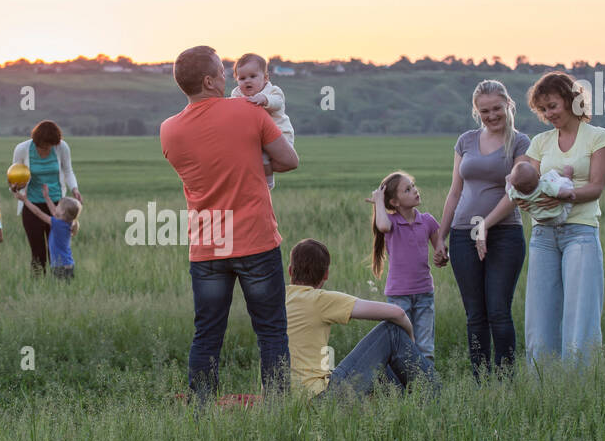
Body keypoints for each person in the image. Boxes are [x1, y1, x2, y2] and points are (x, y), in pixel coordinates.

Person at [159, 45, 299, 401]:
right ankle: (277, 411)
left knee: (206, 334)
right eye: (222, 71)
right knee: (271, 332)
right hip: (256, 240)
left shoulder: (169, 130)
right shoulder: (247, 112)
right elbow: (288, 160)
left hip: (207, 246)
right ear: (208, 80)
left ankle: (202, 413)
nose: (229, 77)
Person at [436, 80, 531, 378]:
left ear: (508, 105)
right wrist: (441, 236)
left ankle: (505, 382)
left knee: (499, 311)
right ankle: (481, 381)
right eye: (484, 111)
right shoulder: (465, 140)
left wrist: (486, 226)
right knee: (475, 315)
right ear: (477, 112)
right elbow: (455, 192)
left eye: (496, 109)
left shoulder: (520, 142)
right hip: (464, 234)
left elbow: (516, 193)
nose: (491, 115)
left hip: (504, 235)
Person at [518, 71, 605, 365]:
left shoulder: (598, 137)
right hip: (543, 236)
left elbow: (596, 188)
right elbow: (526, 181)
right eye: (543, 109)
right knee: (540, 315)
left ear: (572, 100)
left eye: (553, 105)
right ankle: (542, 386)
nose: (549, 114)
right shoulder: (540, 142)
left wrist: (564, 195)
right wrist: (525, 198)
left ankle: (580, 385)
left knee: (580, 314)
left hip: (580, 233)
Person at [285, 239, 437, 398]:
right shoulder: (318, 299)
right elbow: (397, 313)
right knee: (392, 332)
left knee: (380, 365)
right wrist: (410, 340)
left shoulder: (278, 302)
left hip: (288, 401)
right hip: (322, 399)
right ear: (326, 274)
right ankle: (434, 398)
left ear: (290, 270)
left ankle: (405, 406)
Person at [368, 170, 444, 365]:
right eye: (408, 190)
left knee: (425, 347)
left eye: (414, 187)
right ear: (394, 202)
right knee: (403, 346)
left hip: (424, 293)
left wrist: (443, 256)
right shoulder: (391, 222)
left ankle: (427, 388)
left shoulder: (427, 220)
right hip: (399, 296)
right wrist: (378, 200)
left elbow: (440, 249)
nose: (415, 191)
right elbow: (383, 226)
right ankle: (406, 388)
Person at [11, 121, 82, 275]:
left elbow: (68, 171)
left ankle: (58, 281)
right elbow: (14, 174)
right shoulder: (22, 149)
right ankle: (38, 284)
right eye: (45, 145)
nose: (49, 148)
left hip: (57, 206)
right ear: (37, 140)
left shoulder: (61, 147)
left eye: (52, 145)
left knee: (55, 249)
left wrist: (74, 189)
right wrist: (14, 188)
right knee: (37, 251)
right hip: (31, 205)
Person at [229, 53, 295, 190]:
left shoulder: (273, 91)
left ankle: (268, 184)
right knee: (258, 158)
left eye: (253, 76)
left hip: (280, 135)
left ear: (265, 78)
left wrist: (265, 99)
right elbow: (231, 107)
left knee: (265, 157)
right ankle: (262, 178)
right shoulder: (237, 94)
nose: (247, 81)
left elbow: (277, 102)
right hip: (258, 139)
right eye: (242, 78)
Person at [15, 183, 80, 279]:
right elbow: (54, 212)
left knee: (59, 291)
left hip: (59, 266)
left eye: (58, 205)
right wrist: (46, 197)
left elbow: (39, 213)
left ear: (62, 212)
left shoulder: (58, 224)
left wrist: (25, 200)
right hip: (68, 264)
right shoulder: (68, 223)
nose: (56, 206)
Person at [506, 162, 575, 225]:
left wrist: (508, 181)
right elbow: (560, 193)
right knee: (561, 184)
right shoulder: (544, 186)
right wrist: (569, 193)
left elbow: (508, 190)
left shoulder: (515, 192)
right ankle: (568, 176)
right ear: (538, 176)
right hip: (558, 217)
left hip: (540, 220)